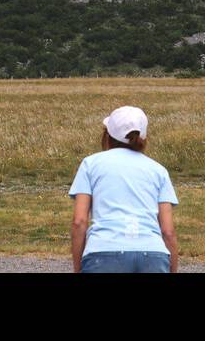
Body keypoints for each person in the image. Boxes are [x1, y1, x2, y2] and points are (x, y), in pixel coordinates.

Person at [69, 106, 179, 273]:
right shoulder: (159, 170)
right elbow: (168, 231)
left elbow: (79, 222)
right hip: (152, 253)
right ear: (143, 137)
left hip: (103, 251)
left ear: (108, 134)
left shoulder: (90, 164)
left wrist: (78, 269)